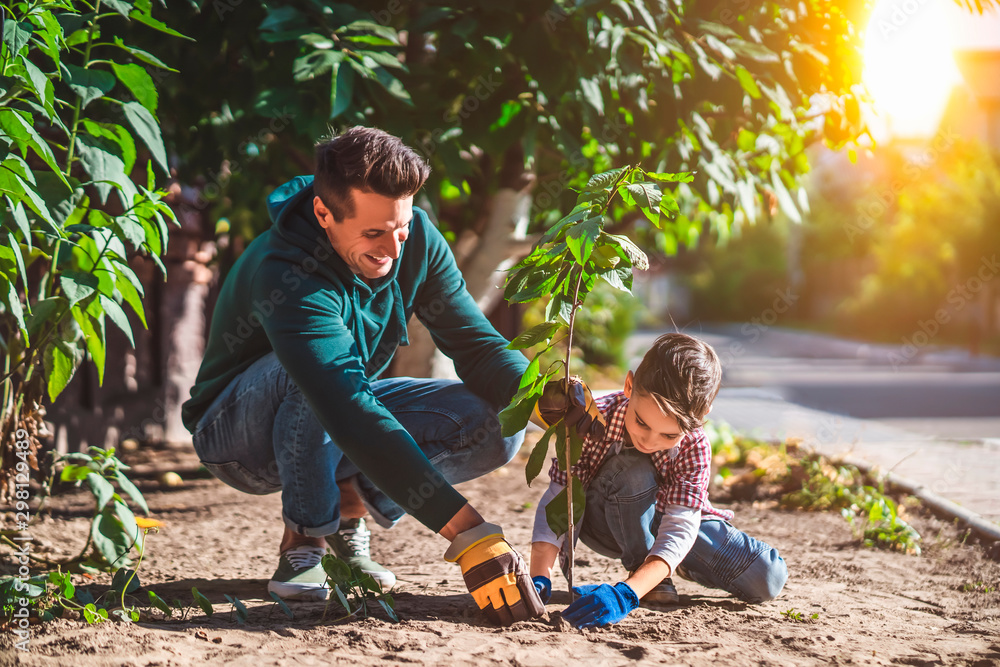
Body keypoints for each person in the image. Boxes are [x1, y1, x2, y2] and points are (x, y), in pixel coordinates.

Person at [181, 127, 544, 625]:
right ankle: (305, 537)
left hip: (338, 411)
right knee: (311, 380)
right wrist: (469, 535)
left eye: (401, 227)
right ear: (324, 215)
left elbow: (477, 346)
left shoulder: (415, 242)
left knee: (496, 423)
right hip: (239, 439)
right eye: (372, 234)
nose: (392, 249)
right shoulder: (287, 270)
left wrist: (545, 399)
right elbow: (344, 401)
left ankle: (347, 509)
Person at [528, 333, 788, 628]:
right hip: (605, 519)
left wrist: (625, 594)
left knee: (767, 577)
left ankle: (669, 566)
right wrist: (540, 575)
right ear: (629, 386)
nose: (649, 441)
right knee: (632, 467)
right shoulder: (591, 421)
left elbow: (681, 524)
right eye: (641, 422)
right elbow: (560, 496)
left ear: (702, 416)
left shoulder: (695, 445)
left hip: (670, 518)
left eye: (668, 435)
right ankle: (647, 573)